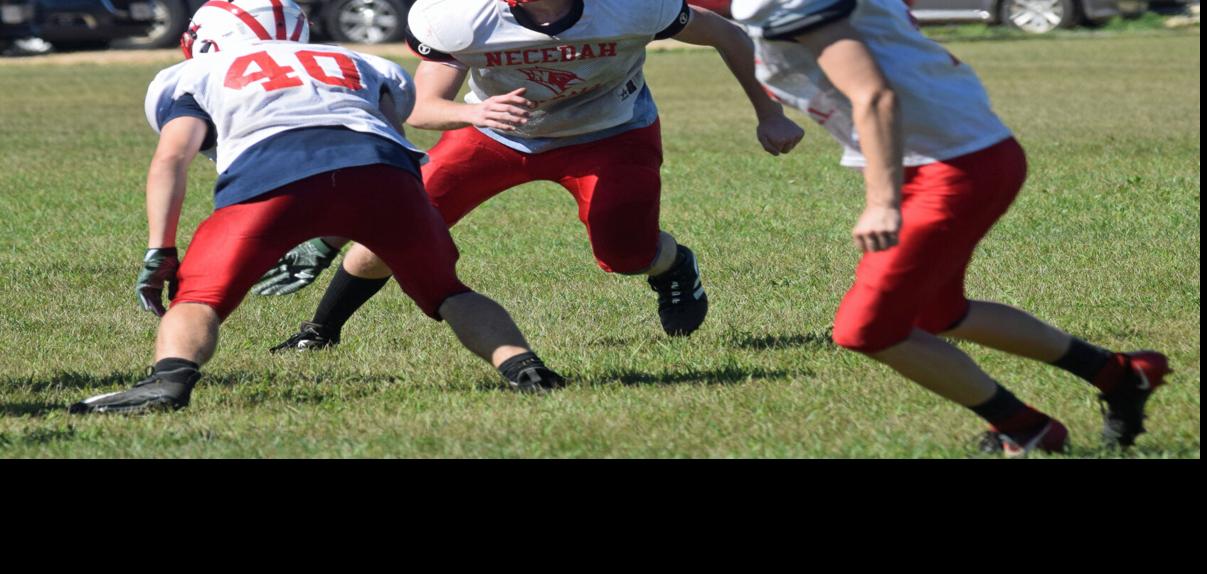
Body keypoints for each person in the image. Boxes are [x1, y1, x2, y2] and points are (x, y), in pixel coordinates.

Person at [71, 0, 565, 415]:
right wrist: (354, 229)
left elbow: (171, 158)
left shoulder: (194, 72)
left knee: (200, 295)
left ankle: (168, 382)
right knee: (447, 291)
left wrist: (161, 248)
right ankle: (526, 369)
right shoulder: (364, 62)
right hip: (386, 179)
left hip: (272, 177)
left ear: (206, 38)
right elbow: (387, 144)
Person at [731, 0, 1170, 455]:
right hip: (953, 155)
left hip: (951, 166)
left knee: (865, 329)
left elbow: (875, 95)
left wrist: (882, 203)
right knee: (937, 314)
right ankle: (1120, 375)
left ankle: (1025, 429)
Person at [265, 0, 806, 351]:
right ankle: (322, 329)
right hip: (498, 131)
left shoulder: (632, 5)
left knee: (625, 253)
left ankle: (672, 263)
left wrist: (770, 112)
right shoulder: (460, 16)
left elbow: (729, 36)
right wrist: (473, 114)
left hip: (610, 130)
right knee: (400, 226)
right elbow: (424, 106)